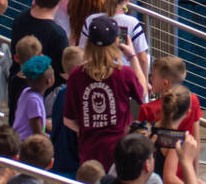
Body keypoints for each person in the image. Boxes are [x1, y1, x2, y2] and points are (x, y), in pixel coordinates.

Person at [63, 13, 146, 168]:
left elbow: (68, 120)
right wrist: (132, 57)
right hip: (119, 153)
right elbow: (142, 92)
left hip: (89, 153)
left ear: (88, 43)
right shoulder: (124, 74)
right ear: (117, 43)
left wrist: (88, 129)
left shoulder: (76, 75)